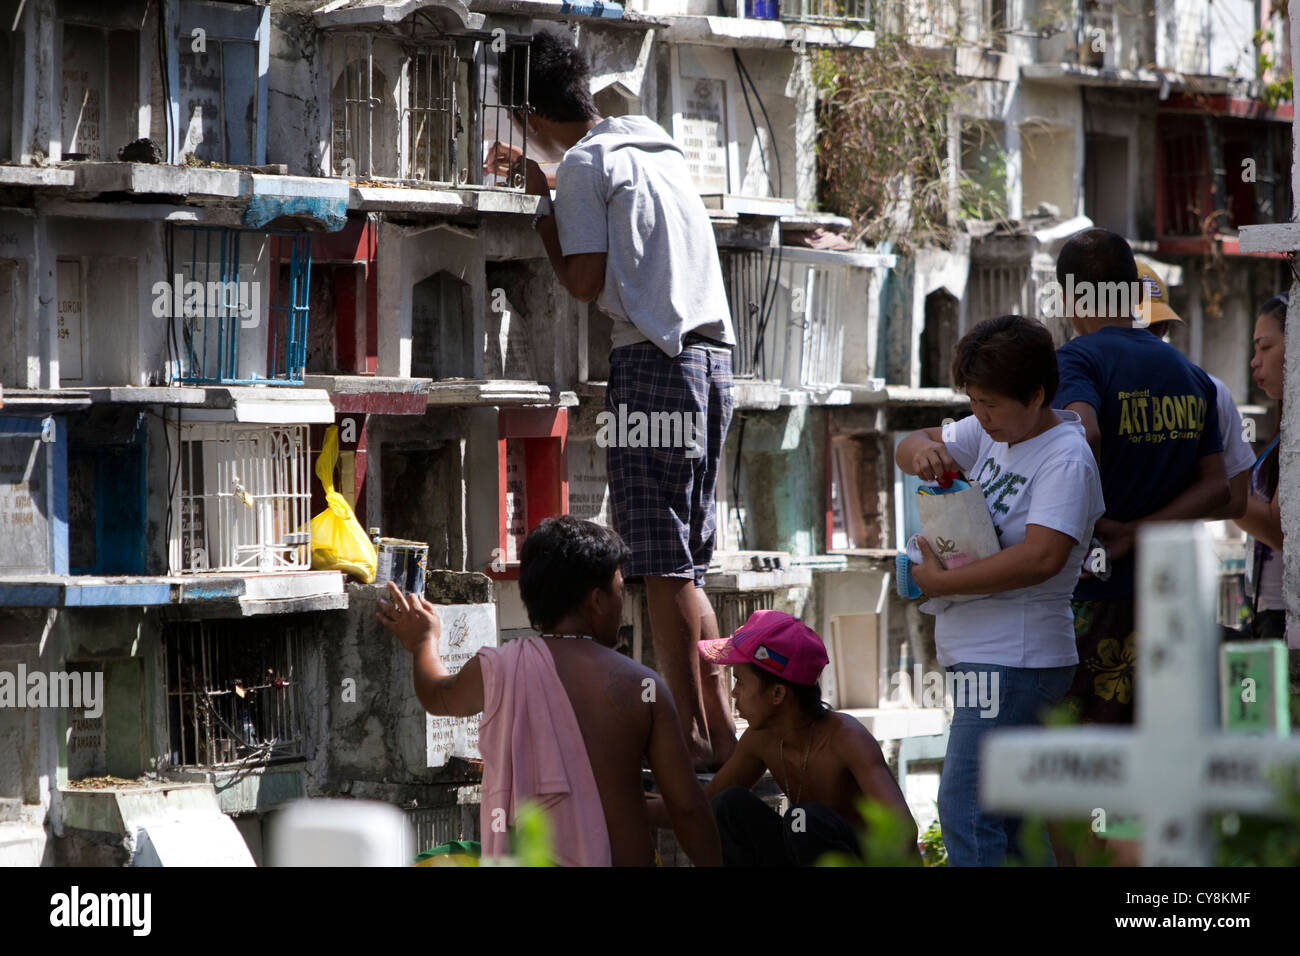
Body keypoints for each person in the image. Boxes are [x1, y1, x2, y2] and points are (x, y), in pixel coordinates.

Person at [503, 30, 737, 769]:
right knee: (688, 562)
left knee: (659, 563)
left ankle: (693, 737)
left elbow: (581, 280)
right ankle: (724, 731)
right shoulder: (652, 145)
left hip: (653, 360)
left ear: (531, 117)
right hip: (713, 359)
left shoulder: (580, 165)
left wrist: (544, 207)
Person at [378, 515, 722, 867]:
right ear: (596, 600)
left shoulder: (498, 668)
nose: (621, 603)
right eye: (619, 591)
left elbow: (437, 695)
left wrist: (423, 641)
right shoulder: (643, 686)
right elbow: (687, 806)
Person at [895, 314, 1105, 866]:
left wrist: (941, 582)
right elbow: (909, 443)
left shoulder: (1064, 455)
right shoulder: (991, 434)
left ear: (1036, 395)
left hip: (1015, 658)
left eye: (991, 403)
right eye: (973, 401)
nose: (980, 416)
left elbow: (1041, 557)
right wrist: (922, 452)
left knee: (966, 811)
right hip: (988, 659)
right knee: (1009, 828)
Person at [1051, 229, 1228, 725]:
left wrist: (1094, 524)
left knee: (1082, 769)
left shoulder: (1076, 359)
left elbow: (1083, 433)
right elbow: (1218, 487)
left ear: (1071, 297)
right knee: (1162, 761)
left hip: (1095, 600)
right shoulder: (1188, 372)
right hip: (1172, 604)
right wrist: (1138, 532)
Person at [647, 609, 916, 866]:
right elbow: (702, 805)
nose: (734, 694)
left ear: (777, 694)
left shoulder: (847, 739)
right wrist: (631, 807)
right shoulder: (760, 739)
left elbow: (903, 833)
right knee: (728, 806)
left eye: (740, 682)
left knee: (803, 819)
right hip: (805, 853)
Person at [1232, 294, 1291, 656]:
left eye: (1265, 347)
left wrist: (1215, 490)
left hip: (1286, 619)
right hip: (1266, 611)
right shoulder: (1286, 429)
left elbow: (1281, 530)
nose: (1255, 361)